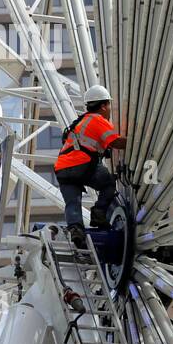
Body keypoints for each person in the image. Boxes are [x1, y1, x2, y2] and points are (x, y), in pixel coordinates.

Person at [54, 84, 126, 247]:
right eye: (108, 105)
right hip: (82, 164)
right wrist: (138, 141)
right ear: (103, 105)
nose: (109, 110)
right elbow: (116, 142)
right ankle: (99, 213)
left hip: (62, 168)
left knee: (72, 202)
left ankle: (76, 231)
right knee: (108, 182)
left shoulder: (80, 122)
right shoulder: (98, 120)